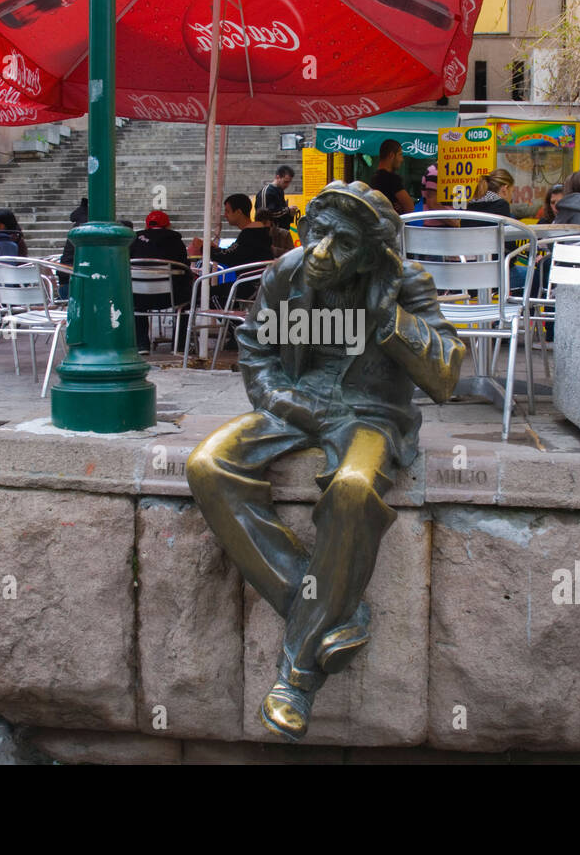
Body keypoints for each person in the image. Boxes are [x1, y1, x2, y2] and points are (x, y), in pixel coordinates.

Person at [186, 180, 464, 741]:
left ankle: (298, 671)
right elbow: (258, 352)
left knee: (355, 490)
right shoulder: (288, 273)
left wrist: (389, 319)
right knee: (208, 464)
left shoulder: (403, 283)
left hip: (370, 412)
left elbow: (446, 375)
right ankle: (331, 608)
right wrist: (283, 401)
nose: (319, 250)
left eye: (339, 241)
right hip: (295, 402)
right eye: (316, 233)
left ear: (369, 249)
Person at [130, 210, 190, 354]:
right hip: (169, 297)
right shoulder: (176, 241)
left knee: (134, 301)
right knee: (187, 298)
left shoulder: (133, 241)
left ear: (146, 225)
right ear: (168, 225)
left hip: (139, 297)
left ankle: (142, 345)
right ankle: (179, 346)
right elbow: (184, 266)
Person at [369, 140, 414, 215]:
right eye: (400, 155)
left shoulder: (374, 178)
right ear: (391, 155)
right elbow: (410, 207)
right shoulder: (391, 179)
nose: (402, 159)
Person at [256, 165, 299, 229]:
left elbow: (280, 212)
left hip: (281, 233)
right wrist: (288, 210)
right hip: (270, 234)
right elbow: (265, 215)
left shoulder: (280, 190)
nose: (287, 185)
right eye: (285, 182)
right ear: (277, 177)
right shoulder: (267, 192)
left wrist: (290, 213)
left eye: (289, 182)